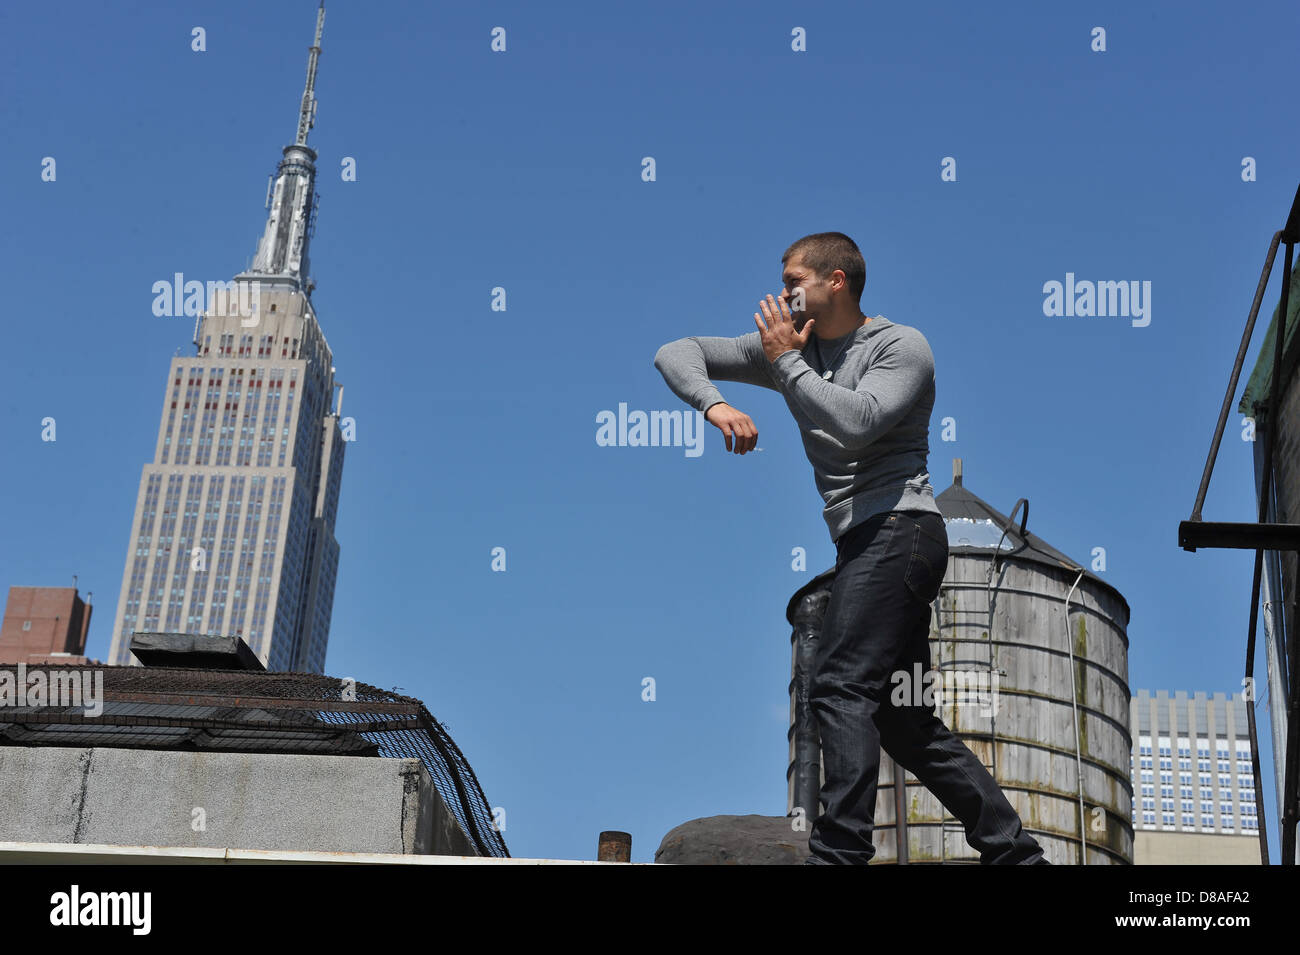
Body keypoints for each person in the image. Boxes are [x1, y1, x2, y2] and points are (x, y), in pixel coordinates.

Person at [652, 232, 1049, 865]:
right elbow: (676, 351)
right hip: (865, 540)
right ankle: (1017, 856)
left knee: (838, 684)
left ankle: (840, 853)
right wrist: (716, 404)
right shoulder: (793, 348)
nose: (782, 294)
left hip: (904, 529)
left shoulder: (899, 346)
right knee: (906, 722)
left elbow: (858, 421)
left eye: (793, 281)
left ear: (836, 281)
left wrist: (786, 365)